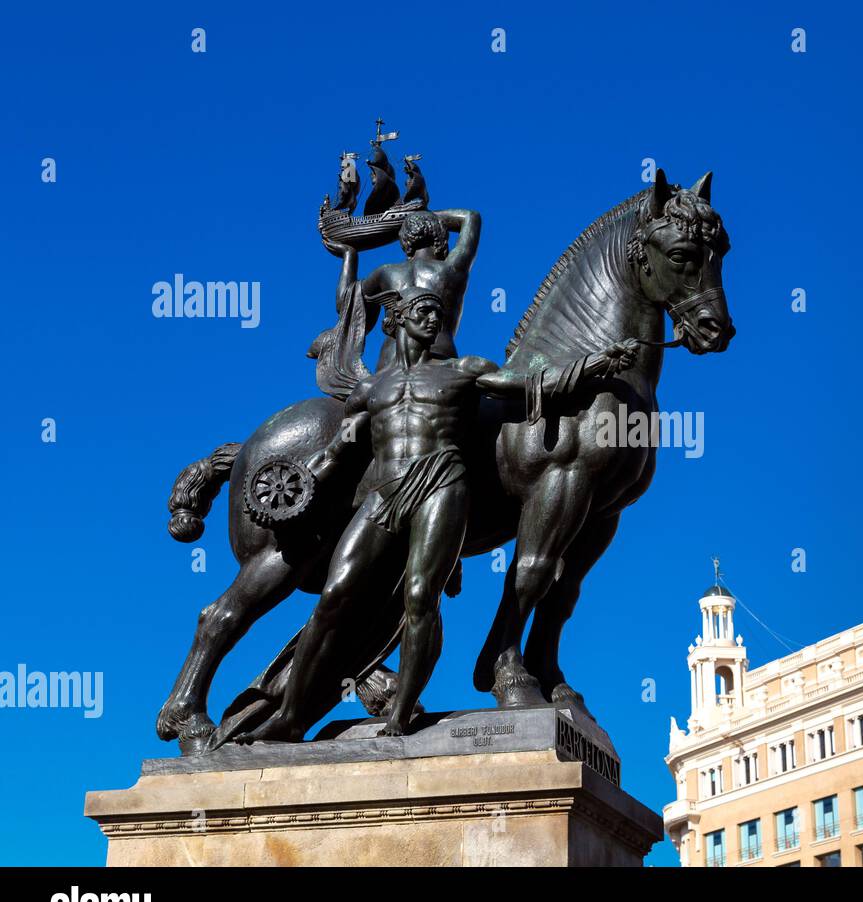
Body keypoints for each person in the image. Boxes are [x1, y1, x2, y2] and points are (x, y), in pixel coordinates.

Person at [238, 287, 641, 741]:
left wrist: (594, 364)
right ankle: (290, 716)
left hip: (441, 483)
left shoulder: (463, 371)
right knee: (334, 596)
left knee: (418, 596)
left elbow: (531, 386)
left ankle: (401, 713)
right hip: (386, 491)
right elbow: (342, 447)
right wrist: (307, 484)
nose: (435, 320)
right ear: (399, 321)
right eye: (425, 312)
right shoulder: (372, 388)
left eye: (439, 313)